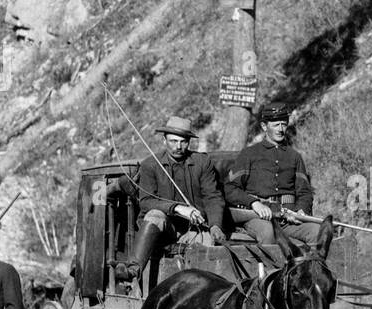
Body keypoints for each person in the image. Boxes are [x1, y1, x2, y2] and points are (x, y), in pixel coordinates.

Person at [125, 115, 227, 281]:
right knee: (154, 215)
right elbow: (146, 202)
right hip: (164, 229)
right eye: (173, 141)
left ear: (189, 142)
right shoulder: (150, 165)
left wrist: (216, 225)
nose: (178, 147)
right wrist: (178, 208)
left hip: (195, 229)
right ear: (164, 140)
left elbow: (212, 196)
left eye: (183, 142)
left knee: (208, 254)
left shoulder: (202, 162)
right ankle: (133, 269)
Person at [223, 102, 323, 245]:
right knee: (268, 233)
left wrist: (301, 211)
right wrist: (254, 203)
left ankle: (310, 267)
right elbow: (230, 189)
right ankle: (273, 269)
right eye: (276, 125)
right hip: (257, 218)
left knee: (317, 232)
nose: (281, 129)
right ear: (264, 127)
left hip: (288, 219)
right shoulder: (249, 154)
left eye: (283, 124)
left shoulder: (294, 157)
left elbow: (305, 193)